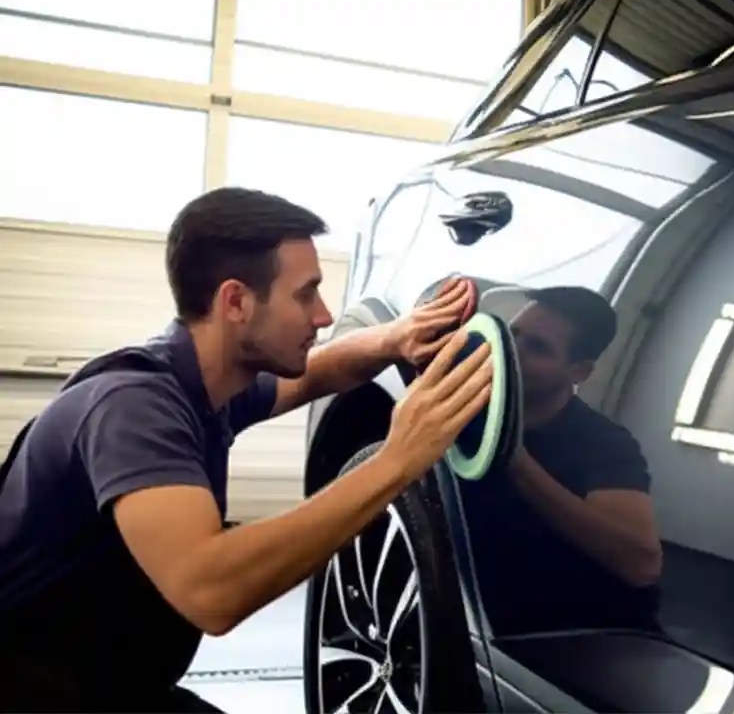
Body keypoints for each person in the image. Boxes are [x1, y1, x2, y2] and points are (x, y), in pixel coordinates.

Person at [0, 187, 493, 712]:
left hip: (106, 686)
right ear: (235, 302)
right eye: (306, 294)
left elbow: (316, 375)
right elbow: (213, 593)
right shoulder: (134, 409)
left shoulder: (203, 386)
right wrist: (396, 461)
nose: (324, 316)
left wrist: (395, 338)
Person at [461, 286, 663, 635]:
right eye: (513, 333)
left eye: (537, 347)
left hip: (583, 641)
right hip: (486, 626)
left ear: (579, 373)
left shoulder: (604, 443)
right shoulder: (466, 411)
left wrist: (514, 457)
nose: (510, 352)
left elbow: (641, 564)